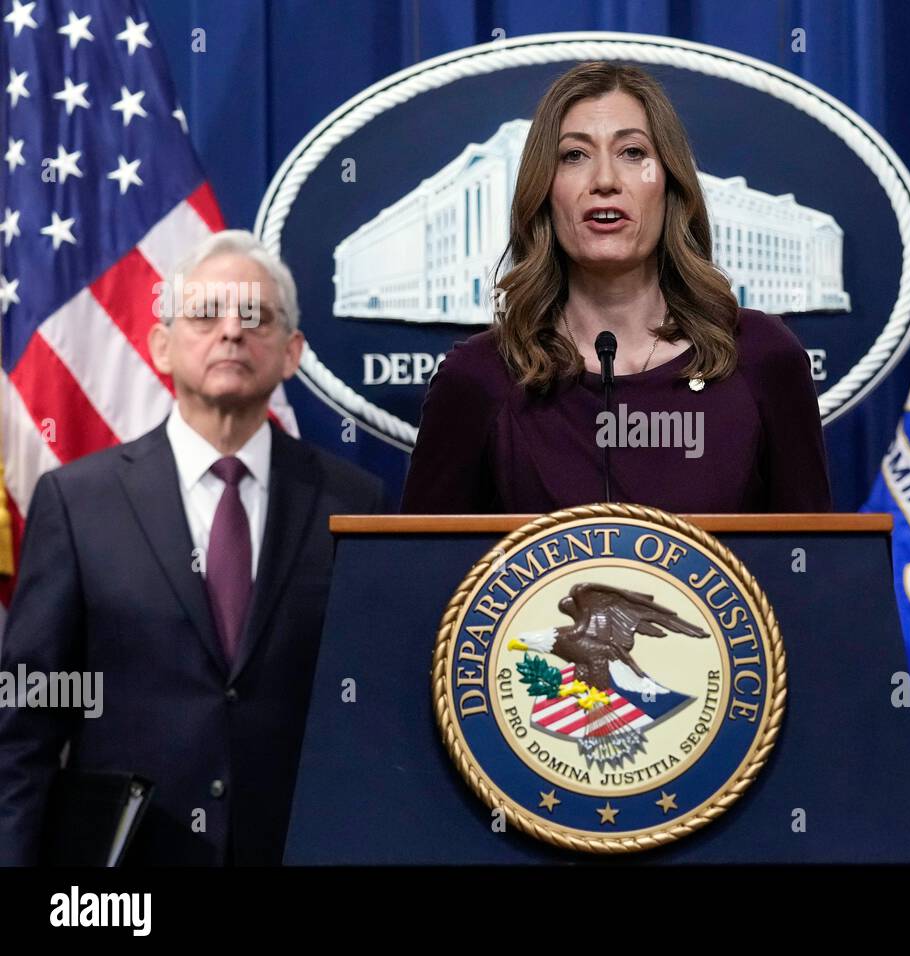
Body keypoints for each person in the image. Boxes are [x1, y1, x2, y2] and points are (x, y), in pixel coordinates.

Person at [0, 230, 386, 865]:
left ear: (292, 353)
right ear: (161, 345)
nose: (231, 332)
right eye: (206, 315)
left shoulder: (354, 504)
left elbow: (371, 714)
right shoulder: (77, 503)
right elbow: (28, 723)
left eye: (255, 317)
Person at [400, 61, 831, 514]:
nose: (604, 181)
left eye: (632, 153)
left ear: (670, 185)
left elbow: (815, 569)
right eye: (573, 156)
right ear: (544, 192)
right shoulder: (479, 378)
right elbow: (426, 576)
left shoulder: (762, 358)